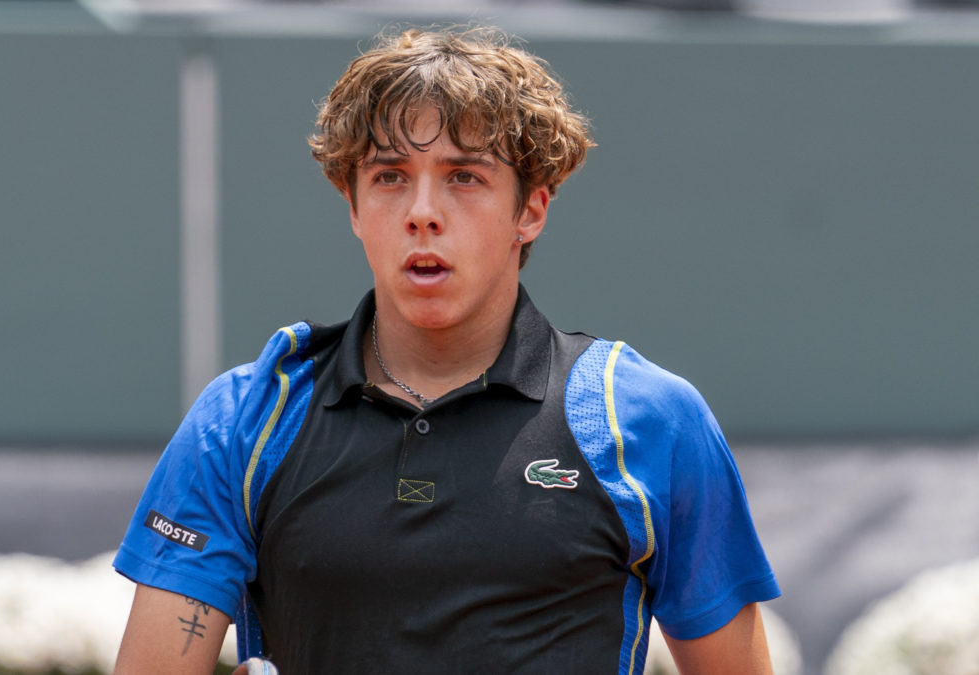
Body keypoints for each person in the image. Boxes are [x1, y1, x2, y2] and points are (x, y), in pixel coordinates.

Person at [112, 26, 780, 675]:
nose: (422, 212)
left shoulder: (651, 419)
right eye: (390, 176)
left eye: (463, 176)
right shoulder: (245, 418)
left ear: (531, 210)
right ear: (353, 206)